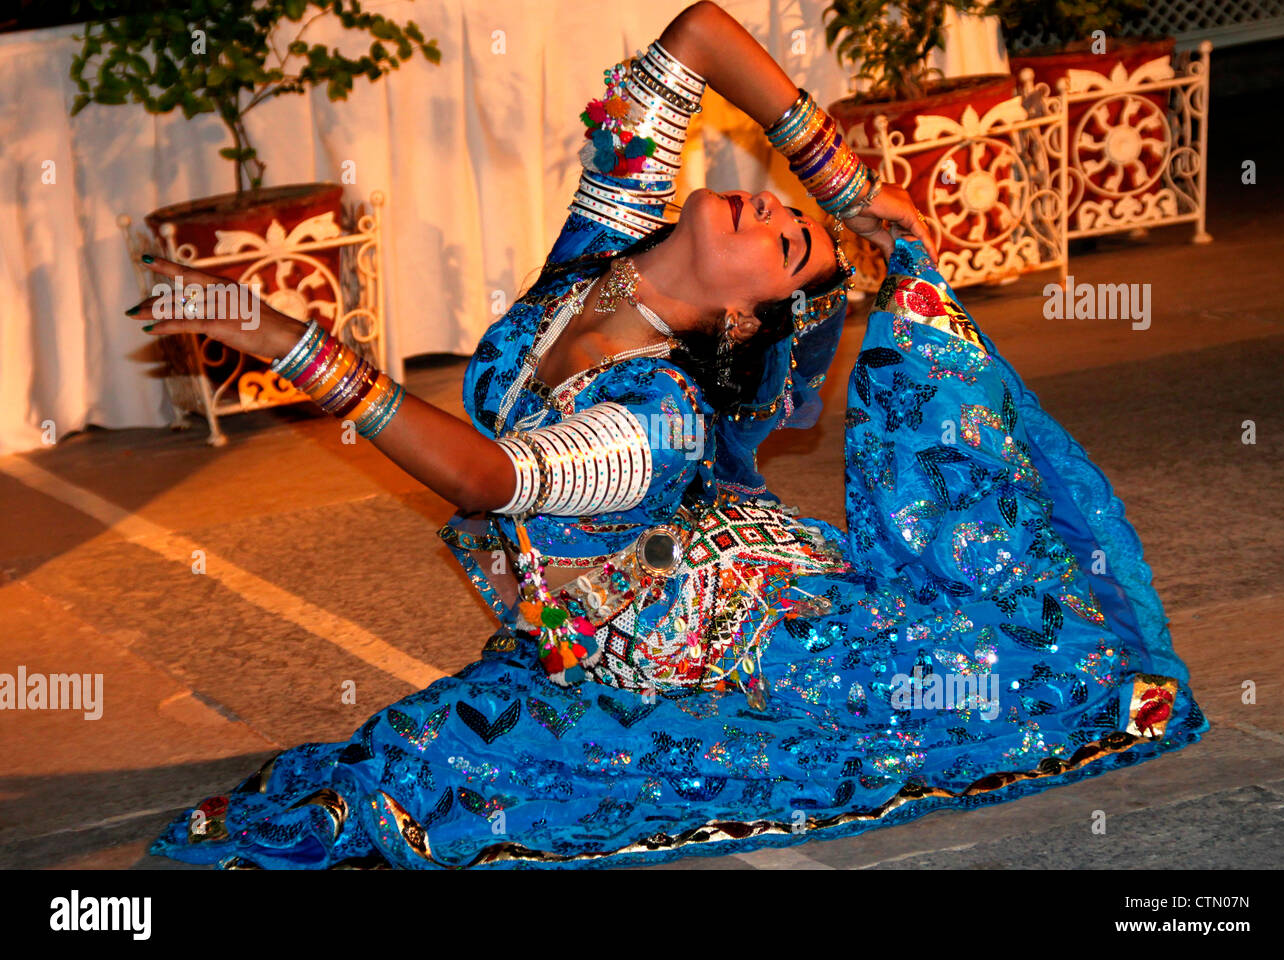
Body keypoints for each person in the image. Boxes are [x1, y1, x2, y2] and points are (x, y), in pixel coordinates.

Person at [138, 1, 1206, 869]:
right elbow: (699, 33)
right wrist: (841, 185)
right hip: (673, 564)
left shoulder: (658, 418)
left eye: (789, 243)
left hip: (740, 638)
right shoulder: (607, 252)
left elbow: (479, 475)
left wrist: (272, 331)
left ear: (740, 319)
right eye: (784, 211)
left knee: (432, 771)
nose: (772, 211)